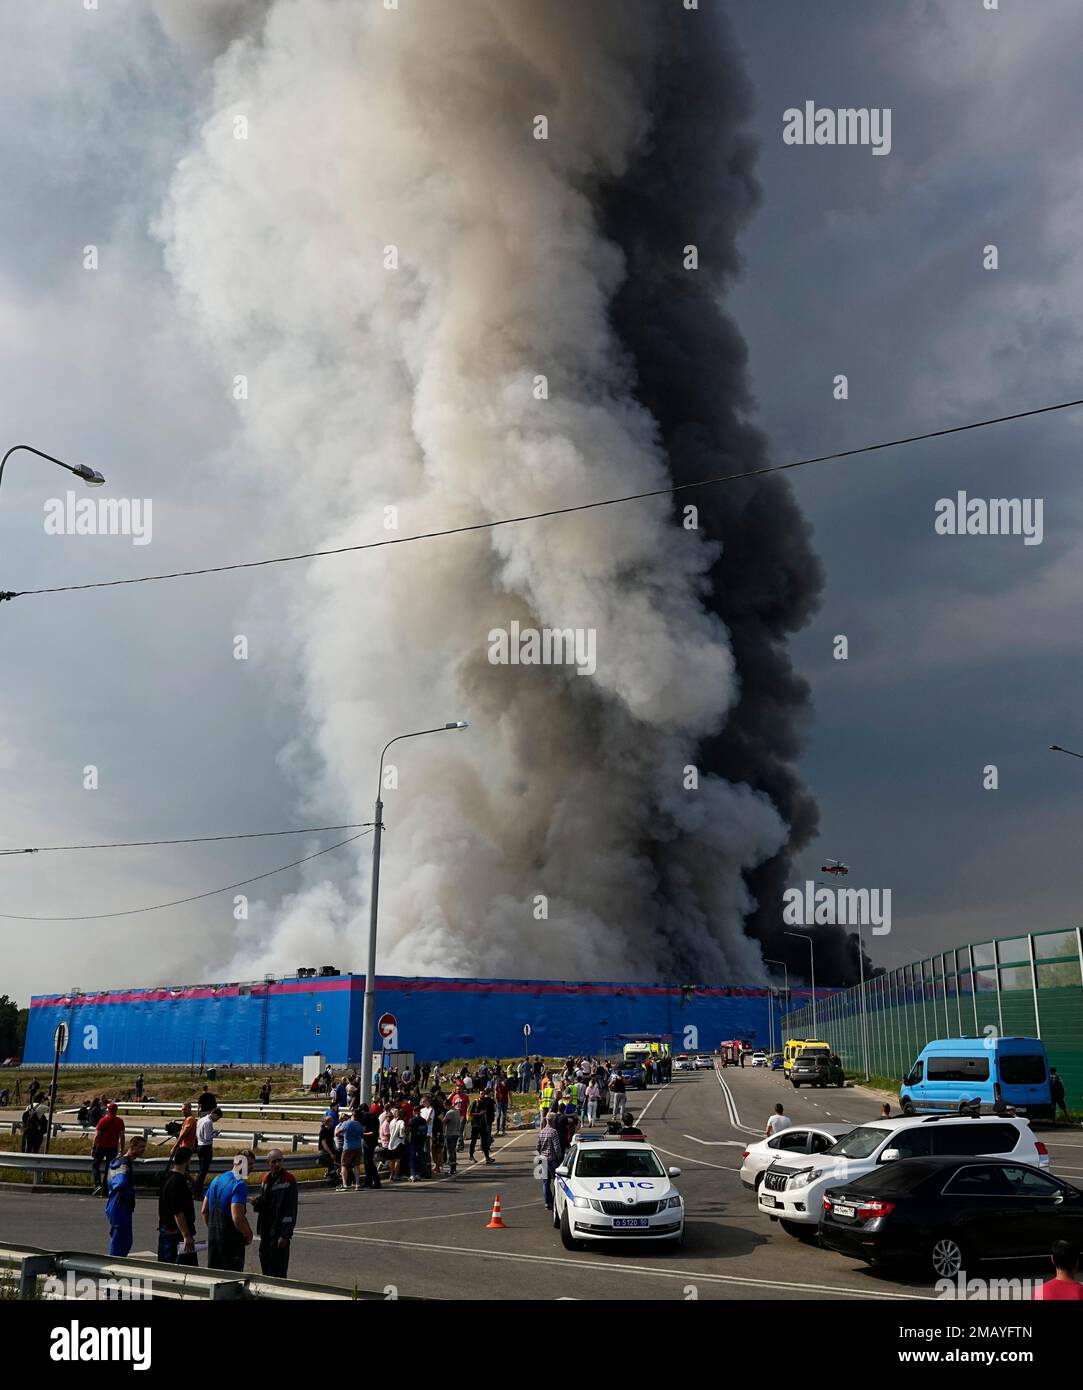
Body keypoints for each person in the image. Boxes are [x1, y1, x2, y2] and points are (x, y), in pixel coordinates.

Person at [202, 1151, 254, 1271]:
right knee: (231, 1283)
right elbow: (237, 1218)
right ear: (240, 1163)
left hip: (213, 1240)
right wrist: (249, 1234)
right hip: (231, 1244)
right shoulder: (239, 1184)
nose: (252, 1168)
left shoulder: (216, 1179)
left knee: (214, 1279)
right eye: (249, 1164)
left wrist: (212, 1229)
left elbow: (204, 1210)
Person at [253, 1149, 298, 1277]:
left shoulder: (289, 1179)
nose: (277, 1164)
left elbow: (291, 1209)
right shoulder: (265, 1179)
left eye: (279, 1161)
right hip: (265, 1232)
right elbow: (264, 1202)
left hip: (278, 1233)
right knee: (265, 1268)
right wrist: (257, 1203)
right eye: (274, 1162)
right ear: (268, 1163)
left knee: (278, 1271)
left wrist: (285, 1235)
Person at [105, 1135, 146, 1257]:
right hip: (120, 1206)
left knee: (125, 1240)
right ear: (132, 1147)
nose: (143, 1150)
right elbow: (119, 1183)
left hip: (120, 1206)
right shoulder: (123, 1163)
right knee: (121, 1241)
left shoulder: (122, 1162)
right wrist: (128, 1193)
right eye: (141, 1147)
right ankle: (115, 1267)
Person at [158, 1147, 198, 1265]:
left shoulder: (167, 1177)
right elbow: (178, 1212)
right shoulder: (179, 1182)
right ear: (188, 1160)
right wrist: (186, 1235)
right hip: (177, 1234)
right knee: (184, 1270)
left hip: (165, 1230)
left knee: (166, 1267)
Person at [91, 1102, 126, 1196]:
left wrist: (94, 1148)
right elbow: (122, 1137)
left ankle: (97, 1184)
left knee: (95, 1166)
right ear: (116, 1110)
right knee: (108, 1169)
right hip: (113, 1148)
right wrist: (122, 1149)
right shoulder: (120, 1121)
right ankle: (105, 1191)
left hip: (101, 1147)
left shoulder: (103, 1120)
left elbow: (97, 1135)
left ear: (108, 1110)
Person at [536, 1111, 564, 1211]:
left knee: (545, 1182)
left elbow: (538, 1147)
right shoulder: (553, 1132)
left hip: (543, 1160)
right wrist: (561, 1158)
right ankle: (557, 1201)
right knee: (558, 1181)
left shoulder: (542, 1132)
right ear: (553, 1121)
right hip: (552, 1160)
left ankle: (548, 1203)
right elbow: (557, 1147)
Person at [193, 1106, 222, 1199]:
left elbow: (200, 1133)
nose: (216, 1120)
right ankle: (197, 1192)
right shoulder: (208, 1122)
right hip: (206, 1147)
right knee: (203, 1172)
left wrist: (212, 1132)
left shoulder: (201, 1119)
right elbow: (207, 1137)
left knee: (201, 1170)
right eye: (217, 1118)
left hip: (199, 1145)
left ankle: (196, 1190)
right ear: (215, 1114)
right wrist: (215, 1134)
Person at [338, 1108, 364, 1191]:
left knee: (344, 1165)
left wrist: (342, 1133)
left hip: (348, 1147)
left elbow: (338, 1132)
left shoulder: (346, 1123)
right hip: (358, 1146)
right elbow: (362, 1133)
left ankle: (345, 1184)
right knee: (356, 1165)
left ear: (353, 1115)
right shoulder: (359, 1124)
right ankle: (357, 1184)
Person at [360, 1102, 382, 1189]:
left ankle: (376, 1182)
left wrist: (363, 1134)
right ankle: (368, 1181)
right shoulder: (371, 1117)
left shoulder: (371, 1117)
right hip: (367, 1141)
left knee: (369, 1161)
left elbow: (373, 1132)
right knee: (366, 1161)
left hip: (370, 1141)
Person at [468, 1094, 494, 1164]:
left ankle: (487, 1157)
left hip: (483, 1125)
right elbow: (470, 1113)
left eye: (484, 1094)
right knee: (474, 1141)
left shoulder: (485, 1102)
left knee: (484, 1142)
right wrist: (479, 1114)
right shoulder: (475, 1102)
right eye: (481, 1093)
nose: (483, 1095)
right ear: (479, 1094)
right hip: (475, 1125)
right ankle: (471, 1156)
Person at [317, 1111, 341, 1186]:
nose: (333, 1122)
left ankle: (330, 1173)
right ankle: (334, 1180)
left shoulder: (331, 1130)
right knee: (330, 1160)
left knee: (340, 1156)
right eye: (331, 1121)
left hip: (331, 1148)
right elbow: (324, 1143)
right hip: (324, 1149)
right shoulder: (323, 1131)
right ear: (327, 1122)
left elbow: (332, 1141)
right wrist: (330, 1153)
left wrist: (335, 1148)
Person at [442, 1099, 462, 1173]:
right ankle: (454, 1166)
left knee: (450, 1151)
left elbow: (444, 1121)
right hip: (456, 1132)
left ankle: (452, 1168)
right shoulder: (457, 1111)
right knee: (453, 1150)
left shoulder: (449, 1112)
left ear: (446, 1105)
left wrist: (442, 1118)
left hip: (450, 1133)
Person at [387, 1107, 406, 1181]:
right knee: (398, 1160)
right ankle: (396, 1175)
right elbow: (402, 1128)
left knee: (392, 1160)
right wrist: (401, 1135)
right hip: (398, 1142)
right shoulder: (401, 1122)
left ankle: (391, 1174)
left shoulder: (392, 1121)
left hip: (391, 1143)